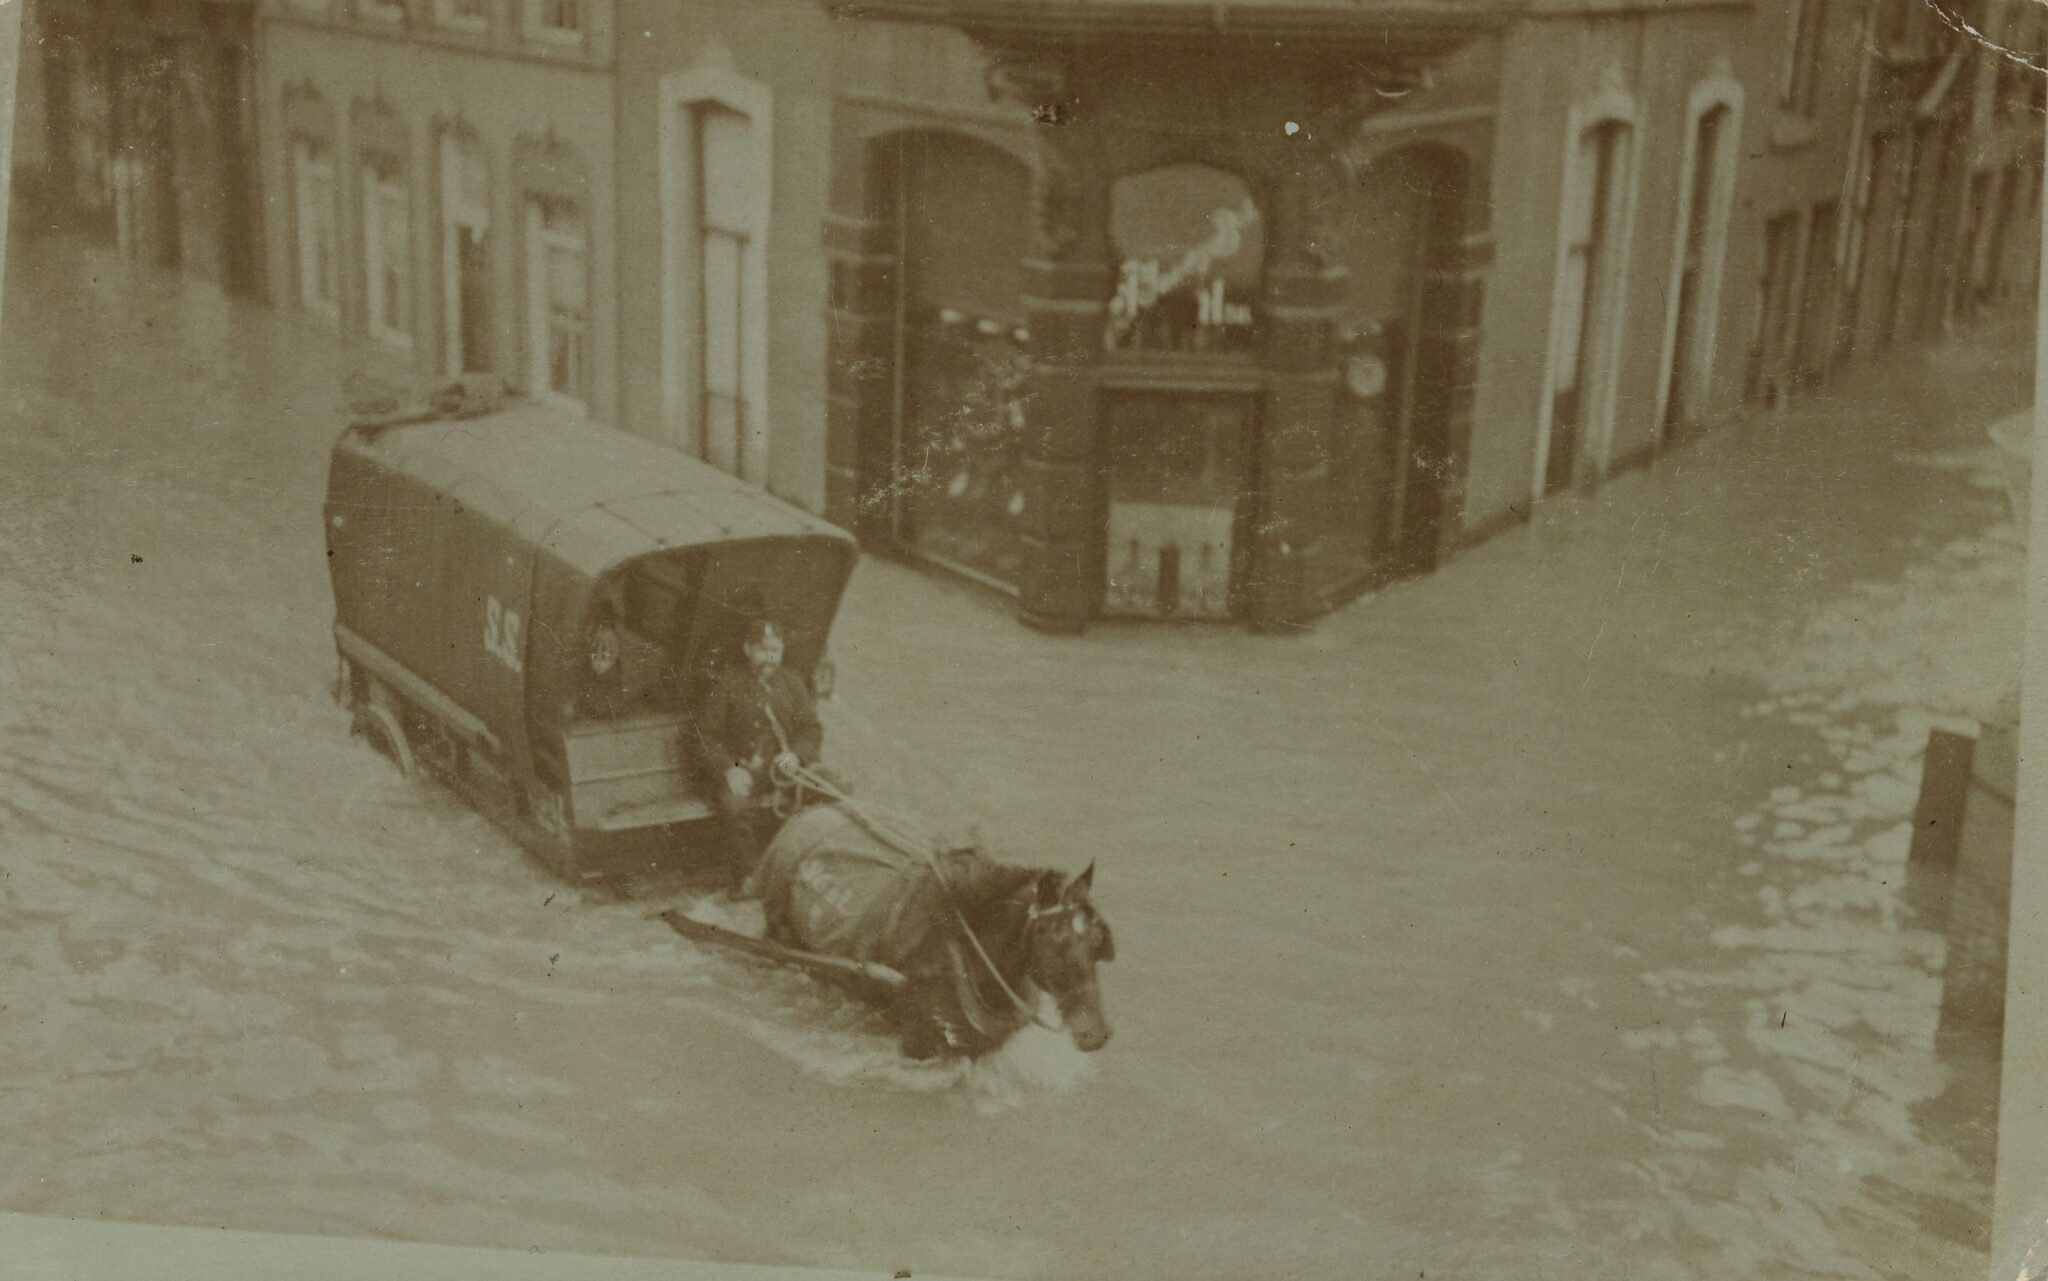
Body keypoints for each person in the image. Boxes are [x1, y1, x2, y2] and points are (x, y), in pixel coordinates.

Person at [695, 619, 826, 891]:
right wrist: (729, 769)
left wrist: (796, 756)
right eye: (763, 650)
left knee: (829, 790)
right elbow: (705, 735)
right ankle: (748, 877)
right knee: (735, 807)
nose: (769, 657)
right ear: (747, 649)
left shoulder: (791, 682)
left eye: (775, 650)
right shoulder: (728, 682)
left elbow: (811, 729)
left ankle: (810, 867)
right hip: (743, 773)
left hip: (783, 771)